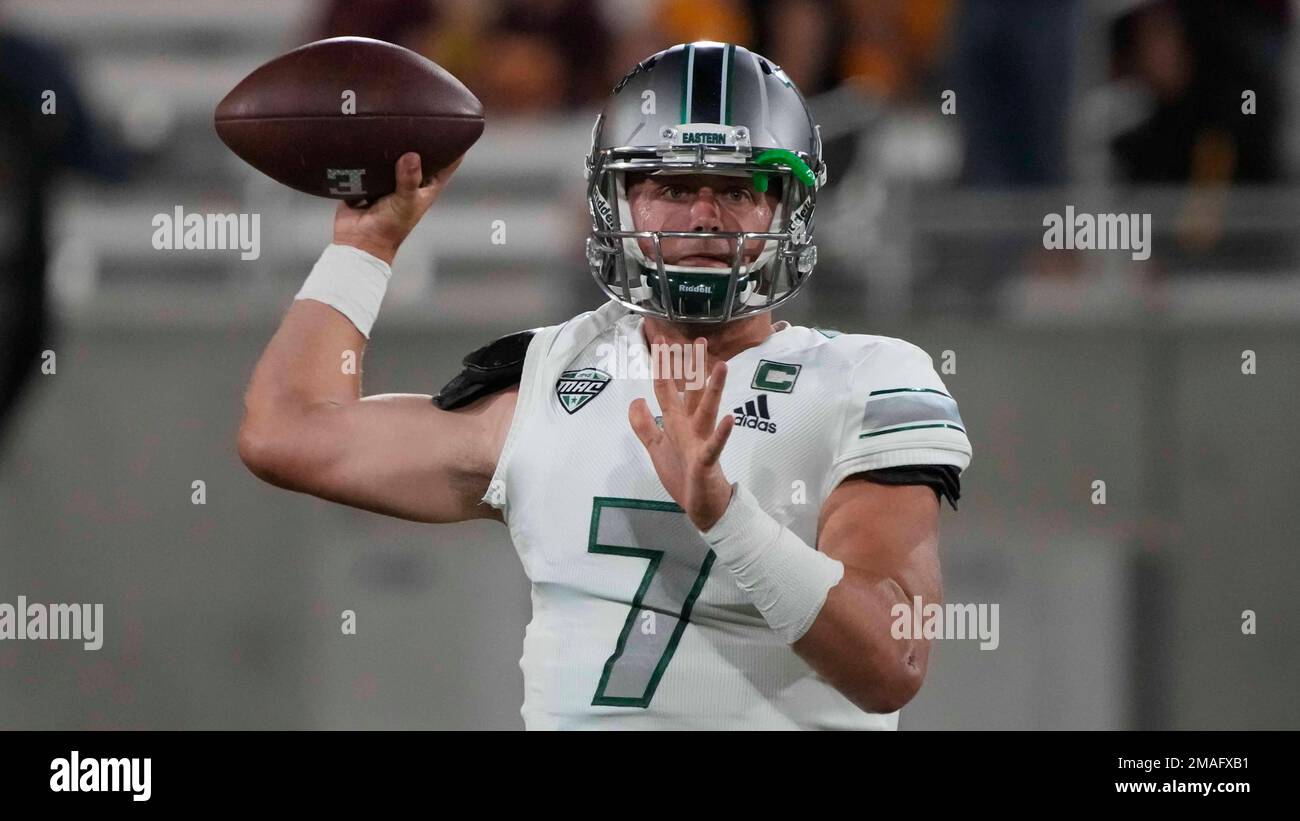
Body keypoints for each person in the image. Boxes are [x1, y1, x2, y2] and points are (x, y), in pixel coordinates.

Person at [238, 42, 972, 730]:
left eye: (741, 187)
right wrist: (365, 248)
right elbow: (288, 431)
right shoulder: (551, 374)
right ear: (613, 200)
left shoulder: (866, 378)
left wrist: (727, 518)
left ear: (790, 206)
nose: (704, 216)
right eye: (672, 185)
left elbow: (894, 662)